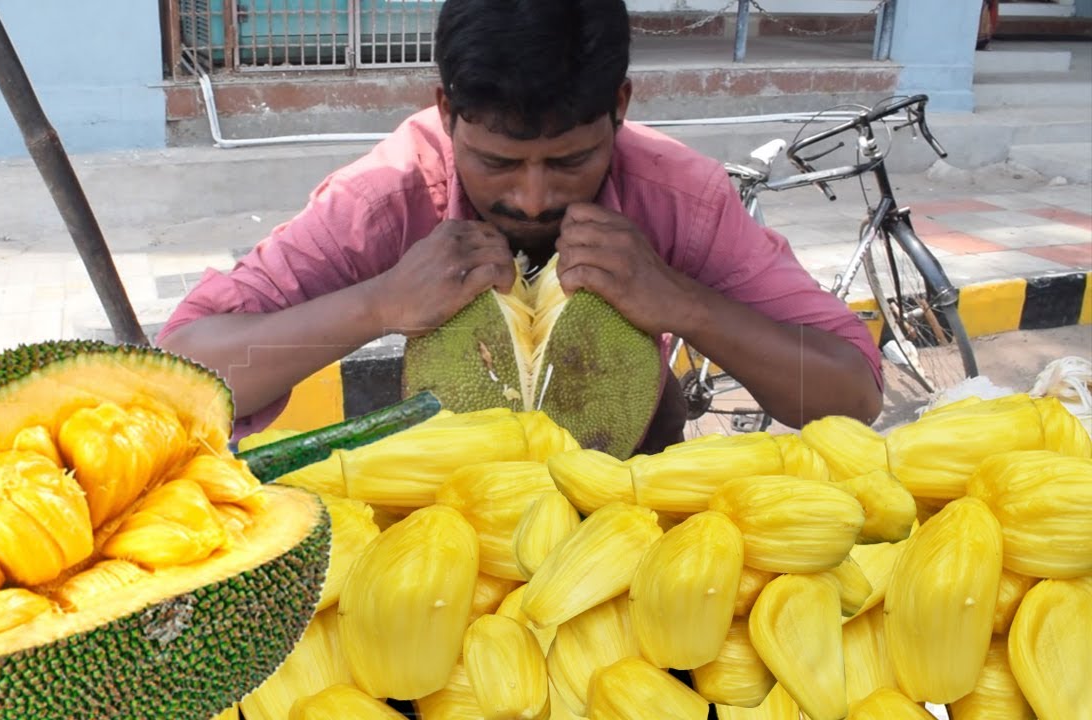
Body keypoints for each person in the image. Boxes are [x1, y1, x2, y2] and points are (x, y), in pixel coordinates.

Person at [157, 0, 883, 453]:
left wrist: (682, 303)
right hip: (451, 533)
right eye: (498, 162)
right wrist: (377, 304)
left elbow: (851, 393)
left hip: (623, 516)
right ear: (447, 113)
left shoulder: (678, 195)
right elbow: (184, 371)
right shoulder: (387, 196)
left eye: (569, 161)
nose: (534, 199)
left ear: (620, 108)